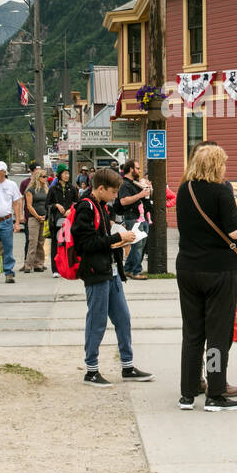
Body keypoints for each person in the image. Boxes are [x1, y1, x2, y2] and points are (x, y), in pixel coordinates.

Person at [176, 144, 237, 412]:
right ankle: (215, 394)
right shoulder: (221, 191)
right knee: (217, 335)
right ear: (216, 166)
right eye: (224, 164)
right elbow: (234, 232)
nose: (226, 168)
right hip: (218, 270)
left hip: (187, 268)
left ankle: (187, 393)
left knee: (192, 333)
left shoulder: (185, 190)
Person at [72, 167, 152, 387]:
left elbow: (102, 238)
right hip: (96, 272)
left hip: (111, 270)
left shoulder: (100, 205)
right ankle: (91, 370)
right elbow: (85, 244)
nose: (116, 196)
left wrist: (120, 241)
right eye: (114, 192)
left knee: (123, 318)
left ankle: (127, 366)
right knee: (96, 321)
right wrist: (117, 237)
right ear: (100, 189)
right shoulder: (86, 207)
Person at [114, 159, 153, 280]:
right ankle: (136, 271)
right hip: (133, 217)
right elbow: (123, 201)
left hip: (141, 217)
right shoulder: (124, 184)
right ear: (131, 169)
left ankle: (128, 269)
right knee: (137, 245)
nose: (139, 170)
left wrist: (147, 189)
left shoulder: (134, 183)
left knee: (139, 244)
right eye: (137, 168)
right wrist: (140, 195)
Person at [21, 167, 50, 273]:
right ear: (38, 178)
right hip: (34, 218)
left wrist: (45, 216)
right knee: (33, 241)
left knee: (41, 242)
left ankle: (39, 263)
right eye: (43, 177)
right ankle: (28, 264)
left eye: (46, 177)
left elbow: (48, 204)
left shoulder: (46, 189)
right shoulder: (30, 190)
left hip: (44, 217)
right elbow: (29, 206)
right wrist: (37, 216)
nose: (46, 178)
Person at [49, 164, 78, 239]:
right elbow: (47, 205)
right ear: (59, 175)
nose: (67, 175)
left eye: (68, 173)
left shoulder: (72, 188)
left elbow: (77, 204)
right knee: (57, 244)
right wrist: (56, 206)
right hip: (56, 221)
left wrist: (71, 209)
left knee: (67, 243)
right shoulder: (53, 189)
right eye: (65, 173)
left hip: (69, 220)